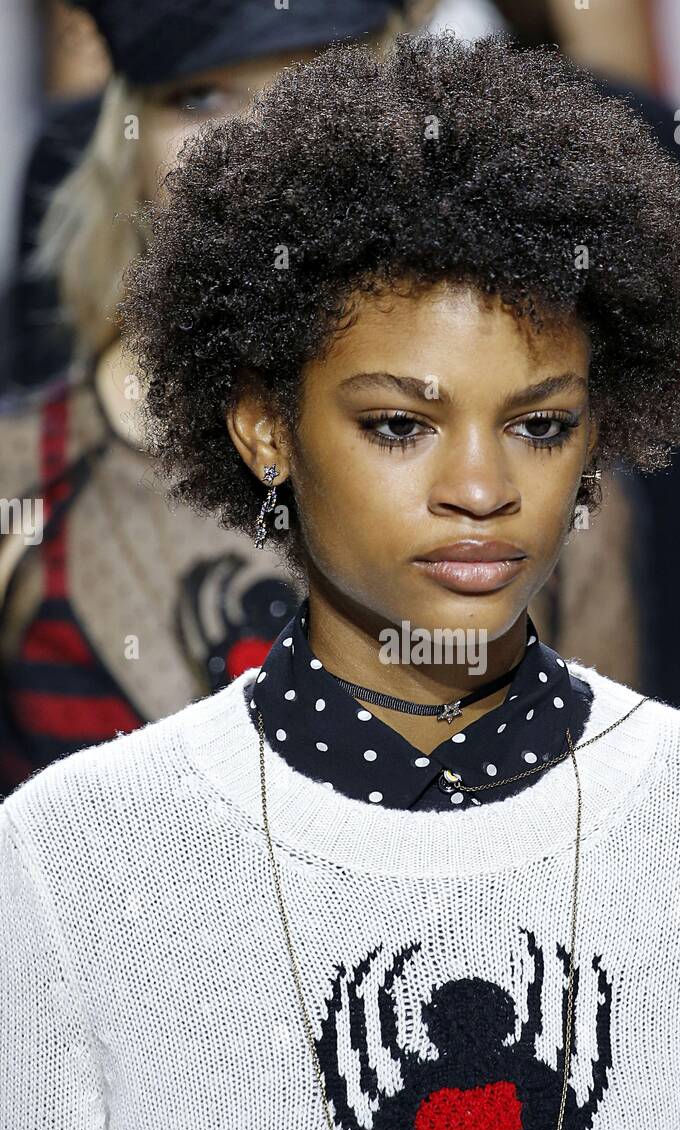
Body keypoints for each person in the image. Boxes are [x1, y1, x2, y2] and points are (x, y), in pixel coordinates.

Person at [0, 31, 680, 1130]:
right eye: (398, 423)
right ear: (262, 427)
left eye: (541, 424)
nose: (479, 490)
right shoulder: (70, 861)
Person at [0, 0, 421, 795]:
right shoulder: (21, 479)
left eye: (313, 89)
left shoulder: (510, 465)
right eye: (198, 97)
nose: (252, 149)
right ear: (121, 142)